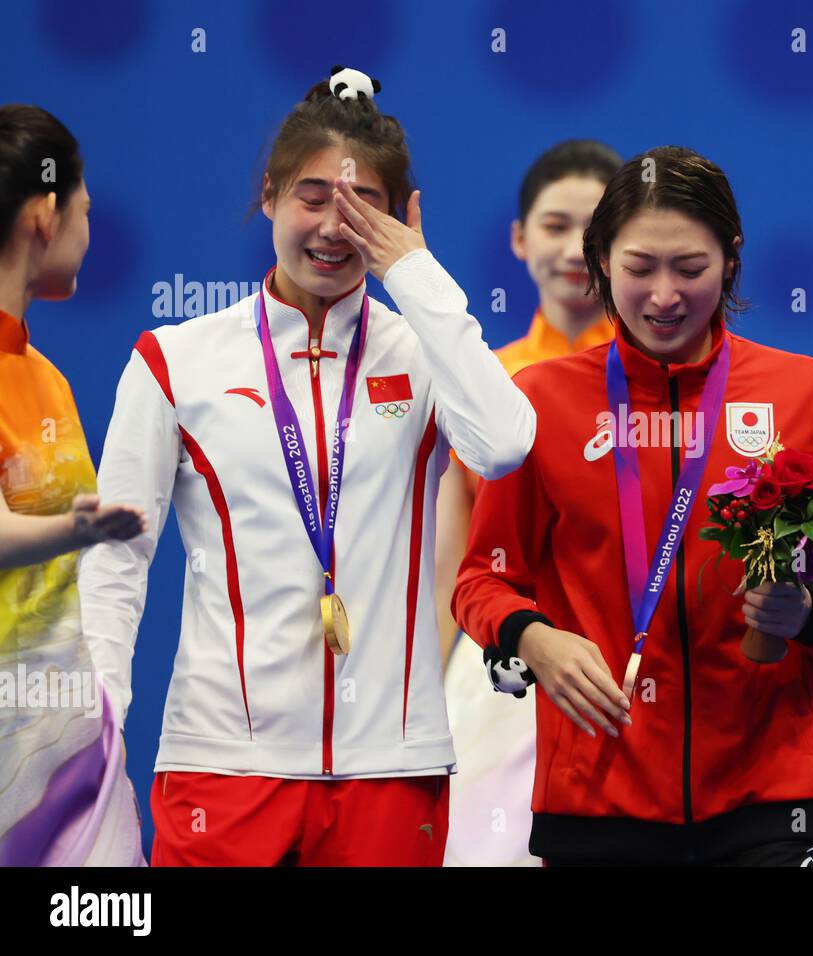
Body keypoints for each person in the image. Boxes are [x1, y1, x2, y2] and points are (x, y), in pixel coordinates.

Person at [77, 68, 536, 866]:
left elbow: (504, 442)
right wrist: (102, 715)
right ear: (268, 195)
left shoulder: (426, 356)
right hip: (223, 765)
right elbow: (117, 554)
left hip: (392, 770)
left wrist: (415, 275)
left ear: (402, 217)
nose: (334, 226)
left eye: (364, 206)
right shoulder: (174, 360)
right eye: (313, 196)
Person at [453, 145, 813, 866]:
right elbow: (482, 579)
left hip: (772, 791)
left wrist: (809, 610)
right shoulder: (539, 401)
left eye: (691, 269)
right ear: (601, 260)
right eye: (638, 269)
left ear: (732, 257)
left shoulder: (809, 392)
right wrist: (532, 638)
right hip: (596, 794)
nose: (663, 296)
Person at [437, 139, 621, 867]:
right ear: (518, 239)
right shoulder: (485, 381)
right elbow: (452, 558)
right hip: (499, 662)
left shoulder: (663, 385)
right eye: (553, 225)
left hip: (624, 660)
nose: (575, 248)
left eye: (595, 227)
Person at [0, 104, 147, 866]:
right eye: (83, 209)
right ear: (44, 214)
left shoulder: (46, 378)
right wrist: (78, 530)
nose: (89, 229)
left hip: (68, 743)